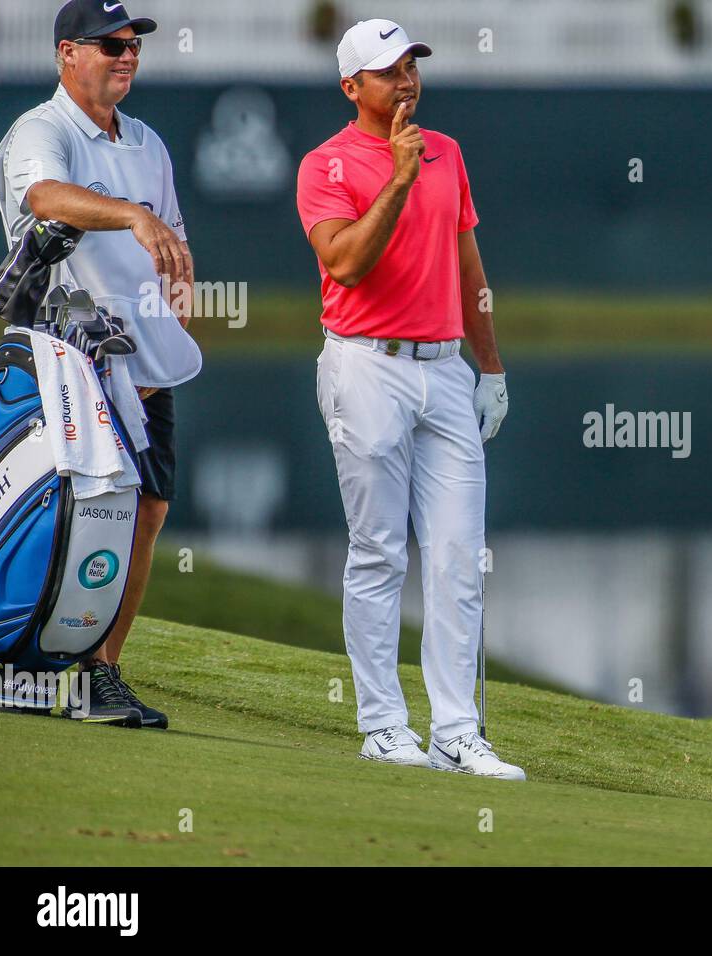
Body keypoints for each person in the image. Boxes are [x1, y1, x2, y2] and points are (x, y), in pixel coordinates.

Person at [296, 20, 521, 779]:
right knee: (379, 552)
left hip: (446, 368)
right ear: (351, 87)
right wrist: (396, 177)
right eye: (390, 72)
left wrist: (490, 370)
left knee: (459, 557)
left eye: (412, 68)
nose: (407, 82)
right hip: (366, 366)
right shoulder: (325, 165)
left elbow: (469, 269)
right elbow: (345, 264)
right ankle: (384, 726)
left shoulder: (446, 153)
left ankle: (456, 731)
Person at [0, 0, 202, 728]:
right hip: (65, 357)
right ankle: (12, 657)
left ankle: (97, 675)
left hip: (142, 365)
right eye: (111, 45)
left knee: (145, 512)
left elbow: (174, 245)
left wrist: (172, 314)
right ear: (67, 55)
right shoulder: (40, 130)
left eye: (134, 44)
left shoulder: (147, 143)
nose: (127, 55)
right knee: (62, 508)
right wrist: (131, 213)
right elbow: (45, 196)